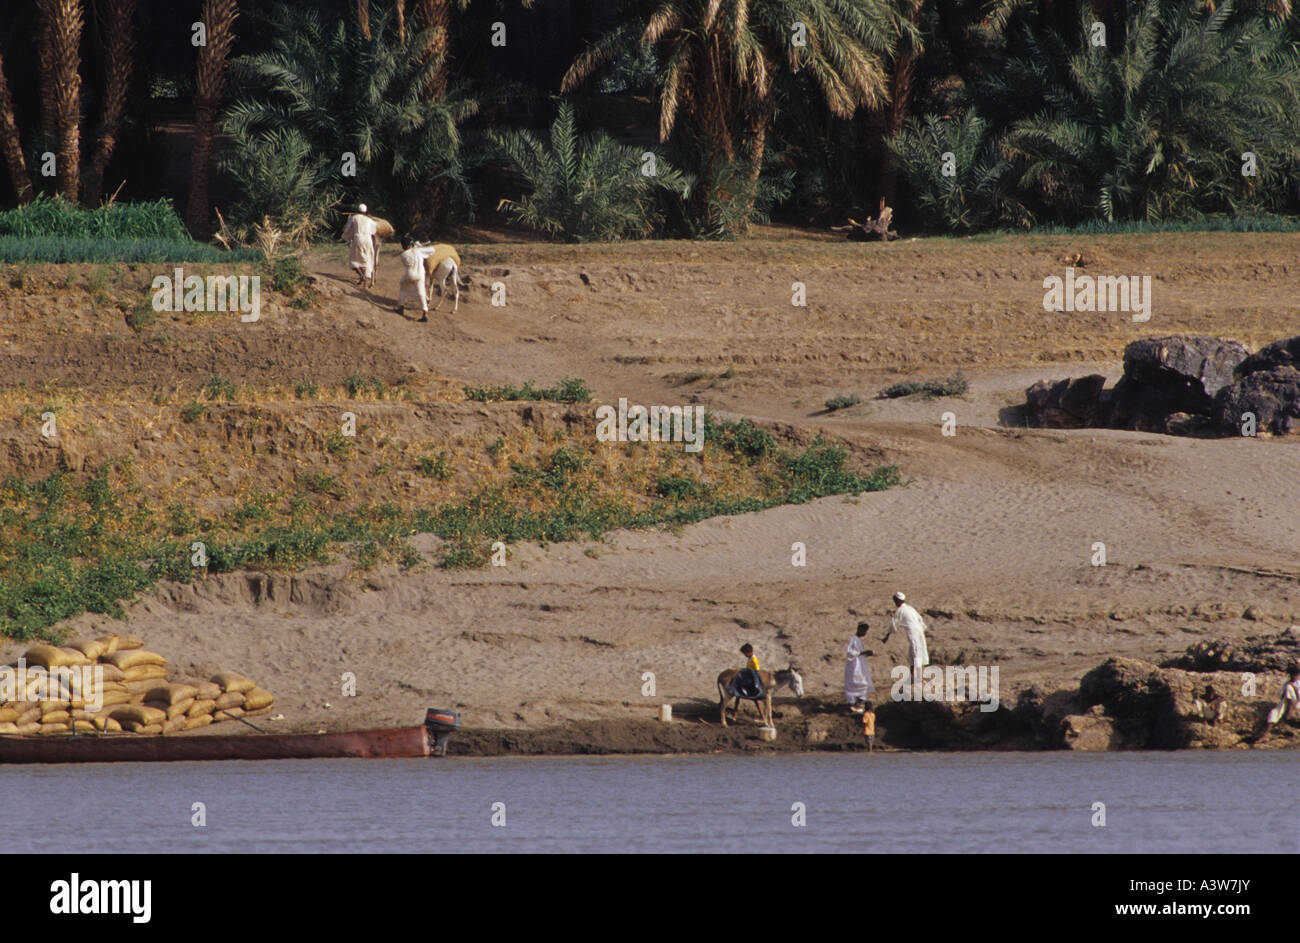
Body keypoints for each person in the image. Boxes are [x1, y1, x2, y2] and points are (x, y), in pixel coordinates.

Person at [882, 591, 929, 680]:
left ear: (898, 600)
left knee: (916, 651)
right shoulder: (910, 608)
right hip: (918, 630)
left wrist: (886, 637)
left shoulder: (900, 610)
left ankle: (917, 676)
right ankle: (912, 675)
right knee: (913, 652)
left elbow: (894, 624)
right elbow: (920, 619)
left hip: (913, 632)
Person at [396, 236, 441, 320]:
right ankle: (425, 313)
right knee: (422, 292)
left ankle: (400, 307)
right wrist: (420, 247)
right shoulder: (418, 251)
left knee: (402, 287)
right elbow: (432, 250)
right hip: (420, 274)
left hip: (409, 274)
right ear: (410, 245)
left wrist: (416, 247)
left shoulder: (403, 255)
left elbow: (410, 253)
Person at [1254, 664, 1300, 743]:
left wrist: (1293, 687)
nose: (1295, 677)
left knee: (1289, 688)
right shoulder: (1286, 684)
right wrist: (1287, 689)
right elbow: (1281, 696)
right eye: (1293, 675)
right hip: (1286, 702)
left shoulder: (1298, 684)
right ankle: (1264, 735)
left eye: (1296, 675)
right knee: (1273, 713)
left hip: (1296, 702)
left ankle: (1290, 712)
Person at [341, 204, 379, 288]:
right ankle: (365, 281)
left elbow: (347, 229)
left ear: (358, 210)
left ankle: (362, 276)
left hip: (358, 239)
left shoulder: (354, 218)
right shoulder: (369, 220)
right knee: (367, 259)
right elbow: (373, 230)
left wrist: (347, 237)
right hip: (368, 240)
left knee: (354, 260)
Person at [844, 622, 874, 713]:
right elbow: (850, 653)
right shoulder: (853, 639)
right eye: (864, 631)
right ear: (860, 629)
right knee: (861, 684)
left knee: (864, 684)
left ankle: (858, 704)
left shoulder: (858, 640)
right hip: (854, 668)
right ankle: (854, 704)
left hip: (860, 667)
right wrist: (863, 653)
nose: (865, 633)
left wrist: (865, 654)